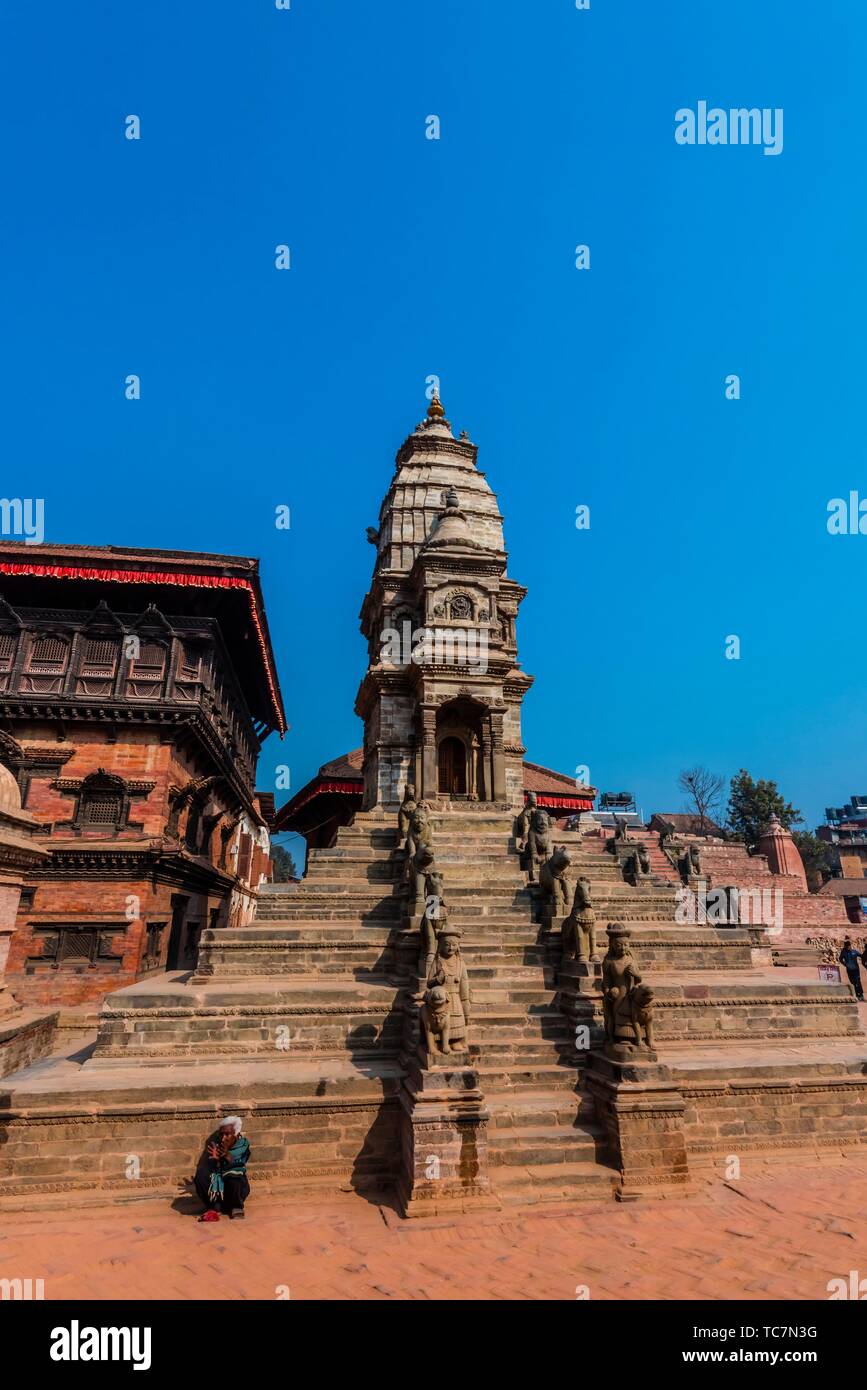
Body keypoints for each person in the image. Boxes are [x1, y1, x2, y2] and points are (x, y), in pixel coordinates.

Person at [195, 1116, 251, 1221]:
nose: (223, 1138)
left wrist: (227, 1157)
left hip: (236, 1190)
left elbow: (240, 1165)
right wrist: (216, 1161)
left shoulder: (243, 1145)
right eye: (221, 1134)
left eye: (227, 1134)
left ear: (236, 1134)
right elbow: (212, 1171)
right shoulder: (216, 1146)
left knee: (234, 1173)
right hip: (218, 1192)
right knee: (201, 1174)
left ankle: (236, 1207)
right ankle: (215, 1206)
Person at [839, 938, 864, 1002]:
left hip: (856, 970)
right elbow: (840, 959)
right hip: (849, 970)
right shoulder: (843, 952)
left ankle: (861, 995)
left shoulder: (854, 952)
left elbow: (862, 956)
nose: (847, 947)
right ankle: (856, 994)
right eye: (846, 946)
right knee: (852, 982)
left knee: (858, 982)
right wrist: (845, 964)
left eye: (848, 946)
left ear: (850, 946)